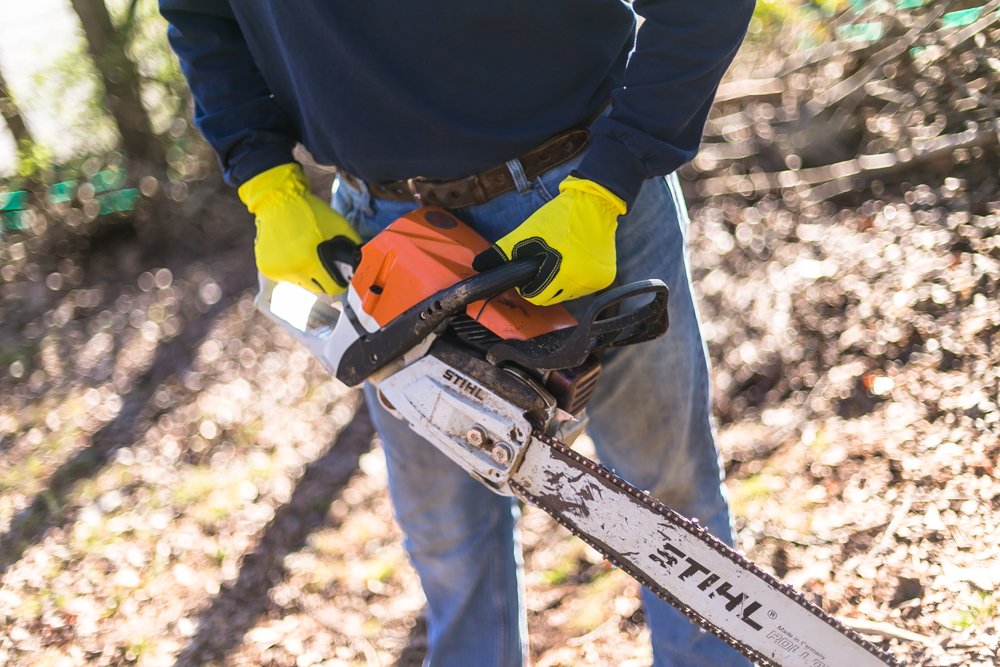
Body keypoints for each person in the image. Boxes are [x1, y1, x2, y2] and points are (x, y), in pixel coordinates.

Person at [160, 2, 757, 665]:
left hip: (579, 187)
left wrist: (608, 182)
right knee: (445, 532)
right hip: (380, 231)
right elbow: (197, 13)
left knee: (671, 493)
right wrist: (266, 181)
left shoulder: (597, 190)